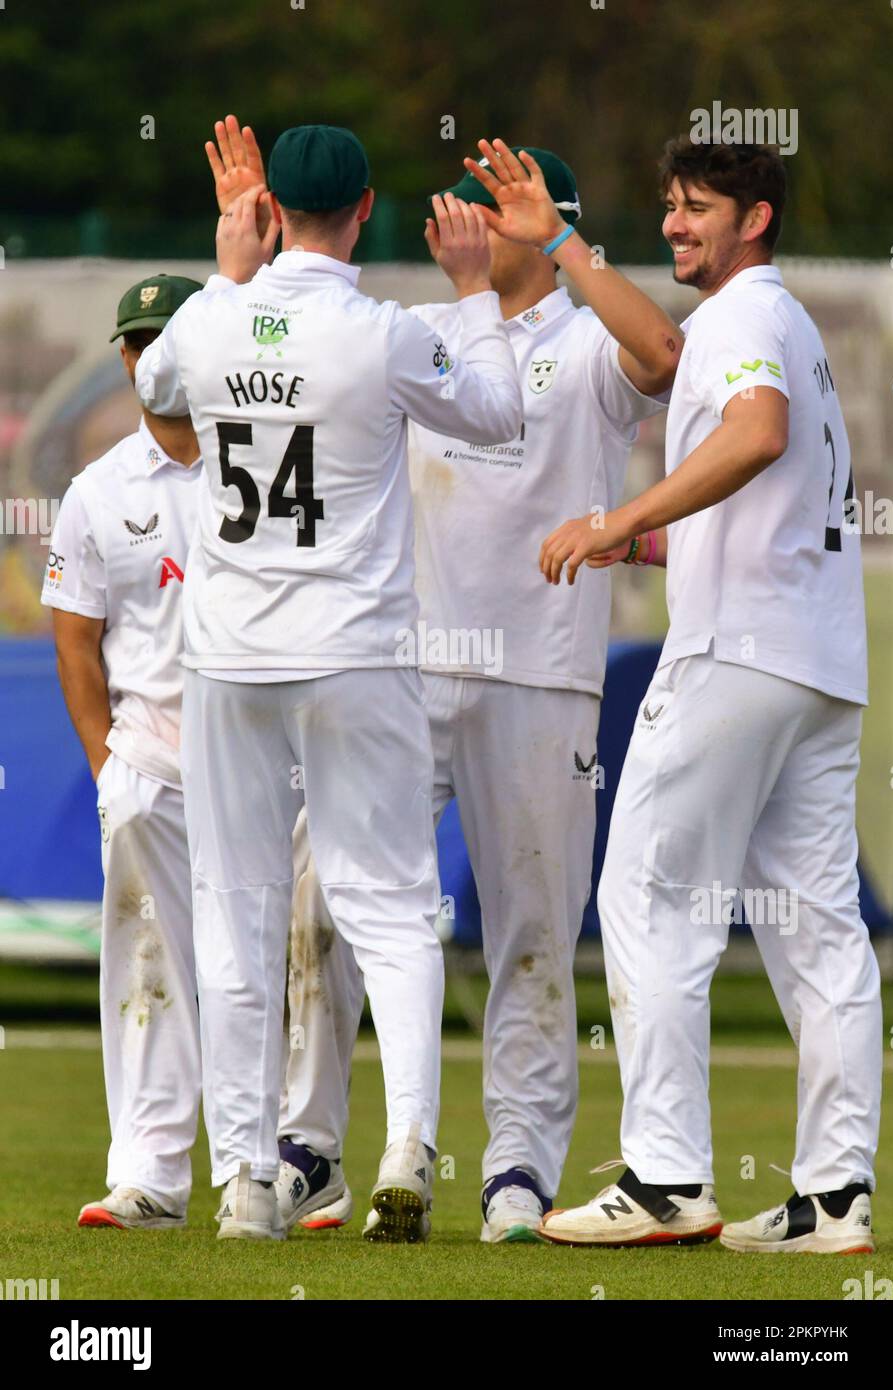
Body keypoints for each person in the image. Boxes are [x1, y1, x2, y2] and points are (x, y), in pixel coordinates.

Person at [207, 122, 684, 1241]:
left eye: (496, 199)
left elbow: (663, 359)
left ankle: (516, 1170)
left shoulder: (587, 342)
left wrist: (557, 239)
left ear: (545, 214)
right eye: (471, 195)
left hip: (538, 673)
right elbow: (279, 358)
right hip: (398, 671)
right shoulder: (414, 328)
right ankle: (308, 1145)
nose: (463, 214)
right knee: (323, 901)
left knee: (527, 929)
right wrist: (259, 234)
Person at [135, 124, 523, 1242]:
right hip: (354, 653)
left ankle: (250, 1180)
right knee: (392, 906)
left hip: (228, 659)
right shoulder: (385, 333)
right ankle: (406, 1144)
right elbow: (497, 413)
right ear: (362, 212)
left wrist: (227, 263)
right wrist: (475, 290)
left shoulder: (212, 313)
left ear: (269, 214)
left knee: (239, 908)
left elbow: (157, 386)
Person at [537, 138, 881, 1254]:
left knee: (647, 890)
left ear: (757, 219)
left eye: (698, 209)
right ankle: (835, 1199)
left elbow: (755, 434)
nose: (677, 226)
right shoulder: (785, 322)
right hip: (819, 664)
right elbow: (766, 490)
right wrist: (644, 552)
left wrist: (618, 517)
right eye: (671, 208)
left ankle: (665, 1178)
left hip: (737, 657)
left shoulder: (739, 318)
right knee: (819, 933)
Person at [42, 273, 206, 1230]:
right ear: (124, 361)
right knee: (147, 960)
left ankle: (279, 1168)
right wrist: (109, 771)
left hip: (265, 762)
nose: (152, 361)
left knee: (273, 967)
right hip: (149, 760)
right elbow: (75, 640)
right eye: (138, 346)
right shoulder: (97, 491)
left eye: (170, 340)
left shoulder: (261, 465)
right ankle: (149, 1175)